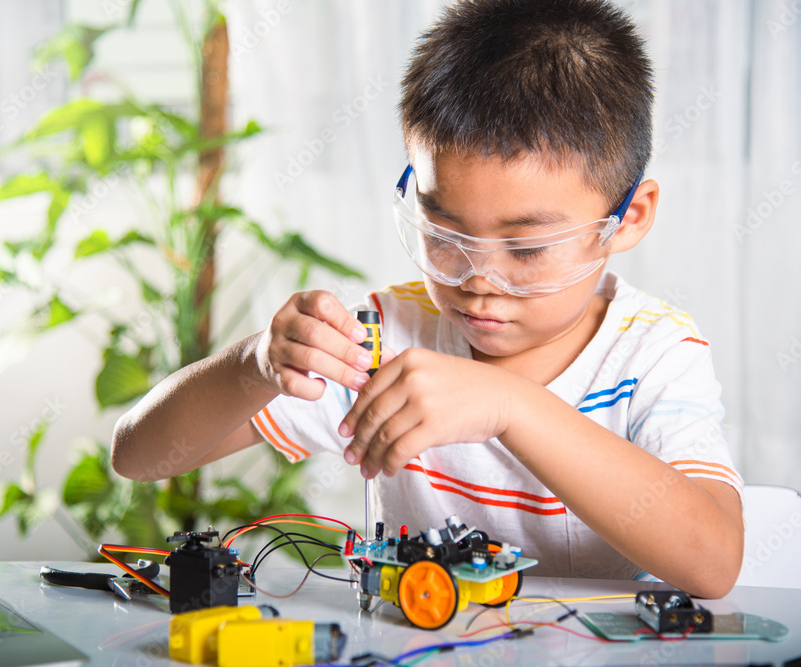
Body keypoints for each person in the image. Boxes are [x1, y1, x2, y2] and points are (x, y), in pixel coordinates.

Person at [112, 0, 744, 598]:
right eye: (445, 235)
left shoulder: (652, 350)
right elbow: (139, 456)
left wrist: (510, 405)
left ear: (628, 217)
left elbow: (712, 562)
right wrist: (256, 364)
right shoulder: (383, 337)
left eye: (525, 250)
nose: (478, 280)